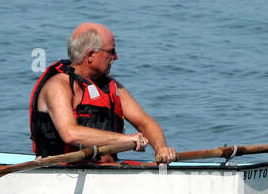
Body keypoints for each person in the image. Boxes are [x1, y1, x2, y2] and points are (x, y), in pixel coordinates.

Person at [29, 23, 176, 165]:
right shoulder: (58, 86)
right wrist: (126, 139)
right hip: (62, 171)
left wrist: (160, 148)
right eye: (111, 52)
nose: (116, 57)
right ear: (91, 55)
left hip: (106, 168)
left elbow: (145, 123)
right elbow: (70, 134)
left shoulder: (110, 87)